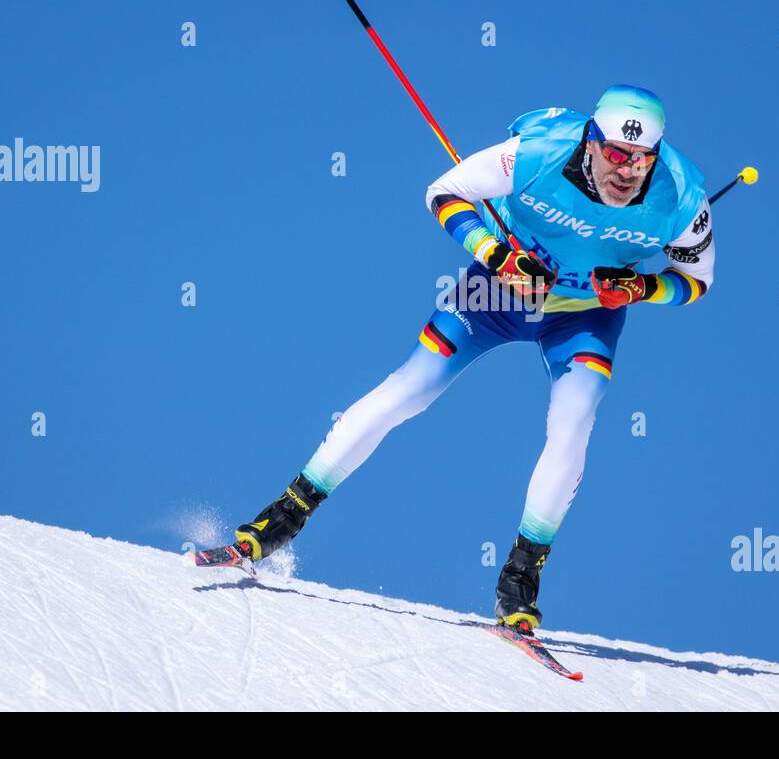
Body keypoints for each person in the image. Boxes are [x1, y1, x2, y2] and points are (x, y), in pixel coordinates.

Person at [201, 85, 716, 634]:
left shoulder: (682, 196)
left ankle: (520, 581)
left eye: (640, 160)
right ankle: (283, 516)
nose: (626, 171)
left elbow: (696, 281)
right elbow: (443, 193)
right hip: (497, 293)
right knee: (410, 388)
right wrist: (497, 254)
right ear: (591, 141)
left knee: (573, 424)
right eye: (615, 153)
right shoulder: (537, 153)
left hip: (584, 316)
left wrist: (640, 287)